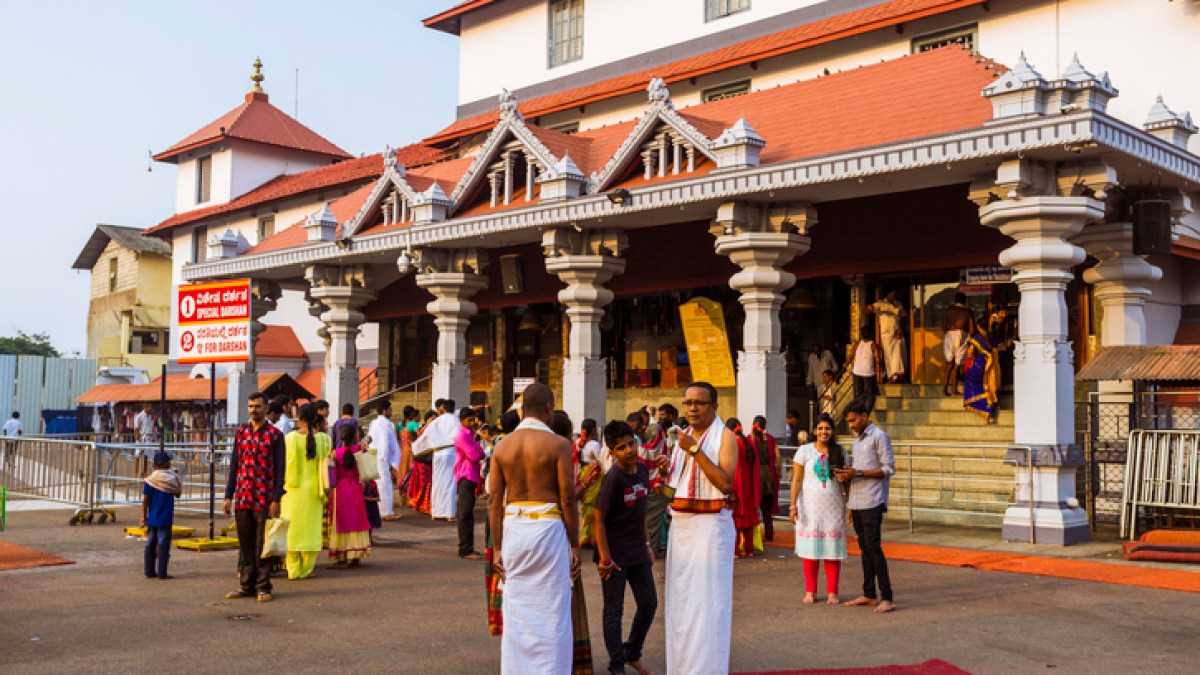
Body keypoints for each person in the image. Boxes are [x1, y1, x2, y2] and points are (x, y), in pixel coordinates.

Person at [489, 383, 579, 674]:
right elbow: (567, 499)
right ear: (549, 408)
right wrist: (575, 545)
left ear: (522, 409)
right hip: (548, 527)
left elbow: (493, 500)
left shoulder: (502, 446)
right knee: (552, 609)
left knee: (517, 611)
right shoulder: (558, 445)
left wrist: (498, 547)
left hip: (514, 526)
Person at [659, 381, 738, 675]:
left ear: (714, 407)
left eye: (699, 403)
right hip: (681, 527)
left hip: (710, 528)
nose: (692, 408)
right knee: (681, 605)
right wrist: (663, 472)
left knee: (708, 605)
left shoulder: (726, 437)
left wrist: (694, 451)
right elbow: (671, 492)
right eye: (688, 402)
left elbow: (725, 484)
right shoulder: (683, 438)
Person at [594, 420, 659, 675]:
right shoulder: (613, 479)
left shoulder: (642, 471)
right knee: (614, 611)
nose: (629, 450)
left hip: (638, 552)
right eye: (621, 448)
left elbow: (640, 512)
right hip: (615, 556)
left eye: (631, 444)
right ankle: (616, 665)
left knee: (649, 604)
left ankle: (632, 652)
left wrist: (646, 543)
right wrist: (604, 557)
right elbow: (598, 516)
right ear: (612, 453)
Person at [223, 392, 286, 603]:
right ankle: (246, 585)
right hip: (242, 496)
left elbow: (280, 469)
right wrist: (228, 495)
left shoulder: (275, 435)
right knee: (245, 543)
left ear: (266, 408)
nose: (253, 410)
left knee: (263, 544)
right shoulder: (241, 433)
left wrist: (276, 498)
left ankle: (263, 586)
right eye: (250, 406)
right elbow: (234, 466)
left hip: (264, 497)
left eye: (257, 406)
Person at [835, 401, 896, 614]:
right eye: (849, 421)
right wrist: (848, 481)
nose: (851, 424)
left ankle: (887, 596)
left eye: (853, 420)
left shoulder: (879, 436)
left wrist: (858, 473)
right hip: (857, 500)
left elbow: (888, 468)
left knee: (873, 547)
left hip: (873, 500)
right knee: (864, 548)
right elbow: (856, 471)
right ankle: (869, 593)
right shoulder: (857, 440)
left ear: (864, 415)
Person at [790, 414, 847, 605]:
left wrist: (849, 506)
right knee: (811, 550)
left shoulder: (840, 452)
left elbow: (846, 483)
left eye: (828, 428)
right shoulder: (804, 451)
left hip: (834, 506)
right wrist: (792, 506)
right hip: (810, 506)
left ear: (832, 431)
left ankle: (832, 592)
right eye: (820, 428)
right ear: (814, 431)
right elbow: (796, 480)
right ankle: (810, 591)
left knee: (832, 550)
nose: (824, 432)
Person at [280, 403, 331, 580]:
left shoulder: (289, 438)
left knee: (292, 531)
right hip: (314, 491)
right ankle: (306, 569)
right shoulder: (324, 439)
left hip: (291, 491)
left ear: (299, 418)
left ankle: (293, 570)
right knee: (310, 530)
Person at [328, 423, 371, 568]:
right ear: (355, 436)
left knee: (341, 522)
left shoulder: (335, 453)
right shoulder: (359, 449)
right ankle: (356, 556)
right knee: (356, 521)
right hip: (356, 488)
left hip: (340, 489)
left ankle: (342, 557)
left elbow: (332, 474)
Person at [641, 403, 677, 556]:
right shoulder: (665, 447)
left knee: (650, 523)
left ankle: (651, 549)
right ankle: (656, 549)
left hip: (648, 488)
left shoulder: (640, 450)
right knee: (657, 522)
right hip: (660, 487)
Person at [141, 451, 182, 580]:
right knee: (163, 545)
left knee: (150, 543)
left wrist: (143, 515)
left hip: (152, 517)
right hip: (165, 518)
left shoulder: (150, 481)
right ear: (168, 464)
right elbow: (178, 493)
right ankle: (162, 572)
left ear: (154, 465)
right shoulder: (172, 479)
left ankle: (149, 571)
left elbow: (145, 500)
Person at [420, 399, 462, 521]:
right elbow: (460, 437)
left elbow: (425, 434)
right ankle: (449, 513)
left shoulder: (437, 420)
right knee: (450, 482)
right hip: (450, 451)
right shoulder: (455, 421)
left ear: (443, 408)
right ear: (453, 409)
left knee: (437, 481)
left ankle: (436, 512)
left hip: (437, 452)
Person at [726, 417, 760, 559]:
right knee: (748, 523)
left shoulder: (731, 443)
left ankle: (735, 552)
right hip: (749, 489)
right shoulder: (749, 443)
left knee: (734, 523)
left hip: (736, 487)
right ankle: (749, 549)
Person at [455, 408, 486, 559]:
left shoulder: (470, 435)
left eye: (474, 420)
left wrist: (477, 452)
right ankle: (465, 549)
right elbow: (475, 455)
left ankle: (468, 546)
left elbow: (481, 453)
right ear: (462, 421)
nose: (473, 423)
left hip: (472, 475)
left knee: (468, 512)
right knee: (465, 512)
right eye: (469, 420)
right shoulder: (461, 435)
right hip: (466, 475)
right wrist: (477, 452)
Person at [748, 415, 780, 542]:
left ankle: (754, 536)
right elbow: (778, 457)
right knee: (767, 507)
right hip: (770, 474)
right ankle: (769, 533)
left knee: (754, 506)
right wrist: (779, 472)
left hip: (756, 475)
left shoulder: (750, 439)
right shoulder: (771, 439)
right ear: (765, 426)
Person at [367, 401, 402, 520]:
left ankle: (381, 510)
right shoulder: (388, 424)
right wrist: (393, 459)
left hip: (374, 455)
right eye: (390, 409)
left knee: (378, 483)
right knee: (385, 484)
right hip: (383, 457)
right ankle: (386, 512)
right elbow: (390, 443)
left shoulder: (374, 423)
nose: (391, 412)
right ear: (384, 411)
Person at [963, 326, 1000, 424]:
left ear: (980, 327)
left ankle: (983, 410)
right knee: (986, 386)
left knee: (970, 379)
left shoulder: (977, 338)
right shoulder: (991, 338)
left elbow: (970, 352)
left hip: (979, 363)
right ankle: (988, 410)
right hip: (989, 365)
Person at [869, 289, 908, 383]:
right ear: (888, 294)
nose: (894, 296)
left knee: (899, 352)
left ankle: (899, 374)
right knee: (888, 355)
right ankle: (892, 376)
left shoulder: (898, 304)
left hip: (897, 332)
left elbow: (903, 316)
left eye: (895, 294)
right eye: (892, 294)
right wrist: (870, 308)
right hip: (886, 333)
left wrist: (901, 328)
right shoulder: (881, 303)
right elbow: (870, 308)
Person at [942, 292, 976, 397]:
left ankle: (944, 389)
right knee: (957, 365)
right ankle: (954, 390)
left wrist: (950, 333)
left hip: (949, 335)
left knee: (949, 363)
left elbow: (943, 325)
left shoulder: (949, 310)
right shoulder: (967, 312)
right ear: (965, 301)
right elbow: (972, 329)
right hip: (961, 335)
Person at [577, 418, 604, 547]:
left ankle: (585, 536)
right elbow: (600, 460)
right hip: (593, 473)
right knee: (593, 504)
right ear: (594, 430)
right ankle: (592, 537)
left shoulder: (579, 443)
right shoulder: (594, 444)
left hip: (583, 472)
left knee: (585, 504)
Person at [850, 321, 882, 414]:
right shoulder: (872, 344)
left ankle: (857, 412)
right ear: (871, 334)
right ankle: (865, 413)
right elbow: (877, 360)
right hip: (868, 372)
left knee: (857, 394)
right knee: (870, 395)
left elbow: (851, 355)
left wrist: (846, 363)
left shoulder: (857, 343)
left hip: (857, 371)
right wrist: (879, 371)